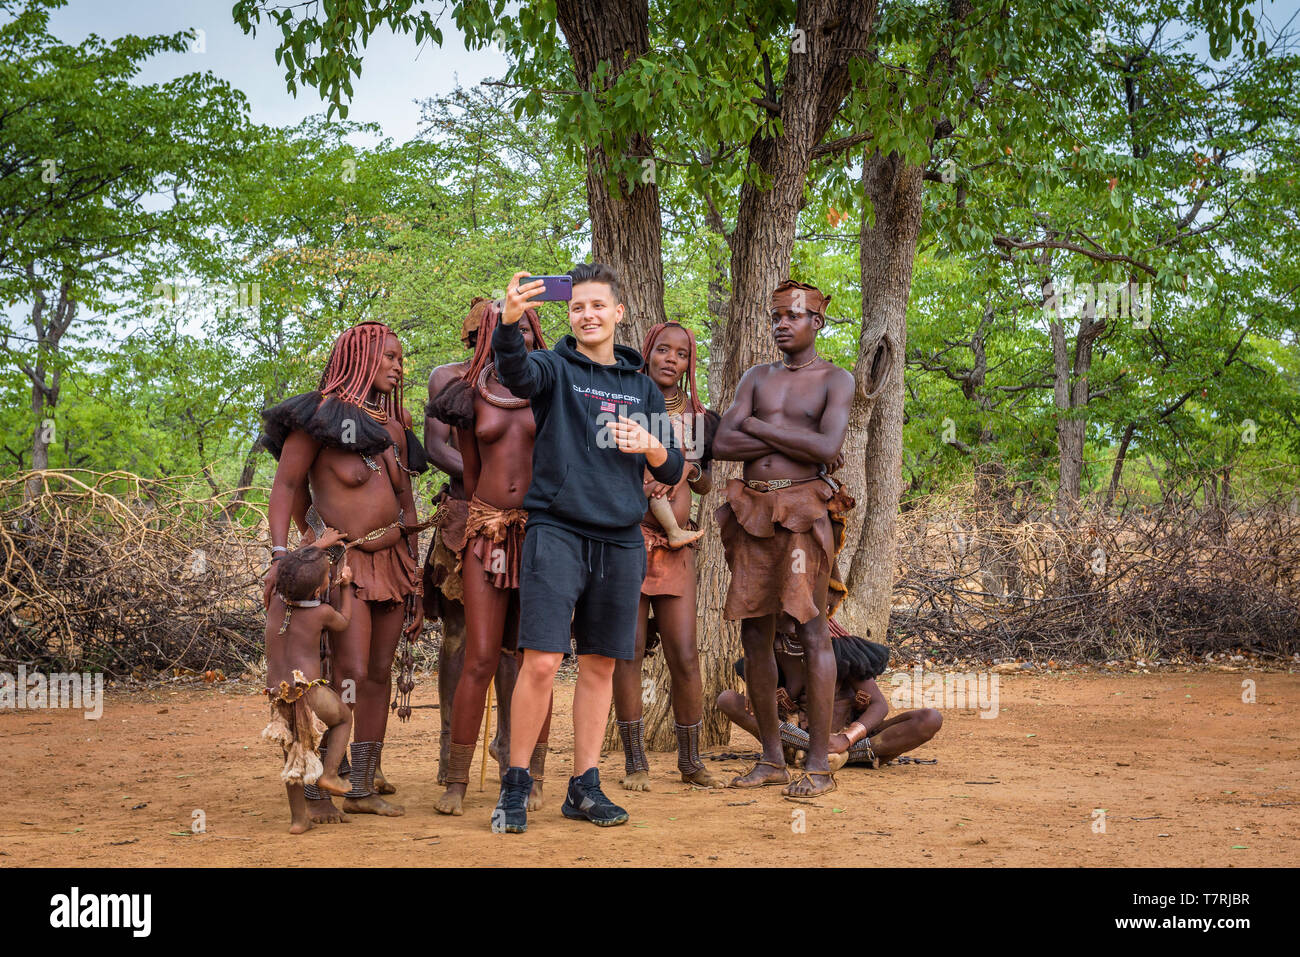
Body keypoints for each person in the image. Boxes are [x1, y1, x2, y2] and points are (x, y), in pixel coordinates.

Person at [489, 263, 684, 833]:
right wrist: (509, 322)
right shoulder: (554, 367)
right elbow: (514, 374)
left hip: (621, 539)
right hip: (556, 530)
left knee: (600, 663)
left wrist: (650, 443)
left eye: (598, 305)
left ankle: (585, 787)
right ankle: (516, 785)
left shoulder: (641, 385)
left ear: (618, 313)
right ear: (569, 316)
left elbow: (672, 465)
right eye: (577, 308)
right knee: (544, 661)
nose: (588, 314)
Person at [261, 321, 428, 822]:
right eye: (390, 358)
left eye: (401, 359)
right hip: (343, 568)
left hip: (393, 564)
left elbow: (407, 506)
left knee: (377, 673)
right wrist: (287, 553)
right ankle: (314, 786)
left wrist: (415, 574)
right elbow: (287, 489)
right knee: (342, 673)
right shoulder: (315, 418)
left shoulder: (393, 429)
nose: (398, 368)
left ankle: (359, 784)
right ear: (361, 357)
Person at [710, 280, 855, 798]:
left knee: (811, 628)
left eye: (793, 315)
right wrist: (794, 438)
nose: (782, 323)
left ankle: (817, 764)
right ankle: (771, 758)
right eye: (776, 316)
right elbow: (723, 441)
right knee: (755, 634)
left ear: (817, 321)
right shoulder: (756, 376)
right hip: (753, 509)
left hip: (802, 510)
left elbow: (828, 445)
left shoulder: (836, 380)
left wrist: (757, 425)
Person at [429, 300, 554, 815]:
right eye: (507, 328)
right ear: (488, 337)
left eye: (526, 327)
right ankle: (456, 781)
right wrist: (487, 519)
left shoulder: (551, 393)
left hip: (543, 534)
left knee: (534, 661)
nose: (518, 336)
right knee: (479, 657)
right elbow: (473, 471)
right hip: (486, 530)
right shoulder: (467, 397)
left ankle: (533, 775)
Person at [612, 321, 723, 790]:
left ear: (689, 362)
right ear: (647, 352)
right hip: (629, 541)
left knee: (685, 654)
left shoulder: (700, 417)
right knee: (628, 652)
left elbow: (706, 483)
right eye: (662, 350)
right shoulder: (624, 403)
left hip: (677, 551)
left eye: (681, 353)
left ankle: (690, 760)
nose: (670, 359)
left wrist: (687, 469)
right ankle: (636, 762)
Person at [422, 299, 520, 787]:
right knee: (460, 637)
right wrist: (486, 486)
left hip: (519, 524)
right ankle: (449, 748)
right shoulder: (448, 378)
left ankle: (507, 742)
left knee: (511, 643)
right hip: (463, 515)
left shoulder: (524, 382)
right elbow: (434, 446)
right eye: (485, 330)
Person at [717, 622, 942, 769]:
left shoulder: (838, 646)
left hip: (851, 737)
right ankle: (819, 752)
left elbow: (878, 705)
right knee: (727, 699)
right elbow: (759, 704)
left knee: (929, 719)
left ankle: (842, 755)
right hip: (793, 740)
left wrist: (845, 739)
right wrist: (758, 693)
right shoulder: (772, 650)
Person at [261, 537, 355, 833]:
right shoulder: (320, 613)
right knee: (342, 719)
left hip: (278, 698)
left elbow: (287, 568)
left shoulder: (275, 602)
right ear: (318, 590)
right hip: (308, 692)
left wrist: (320, 541)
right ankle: (330, 774)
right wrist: (346, 587)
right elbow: (344, 622)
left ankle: (299, 820)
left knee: (293, 758)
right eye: (328, 576)